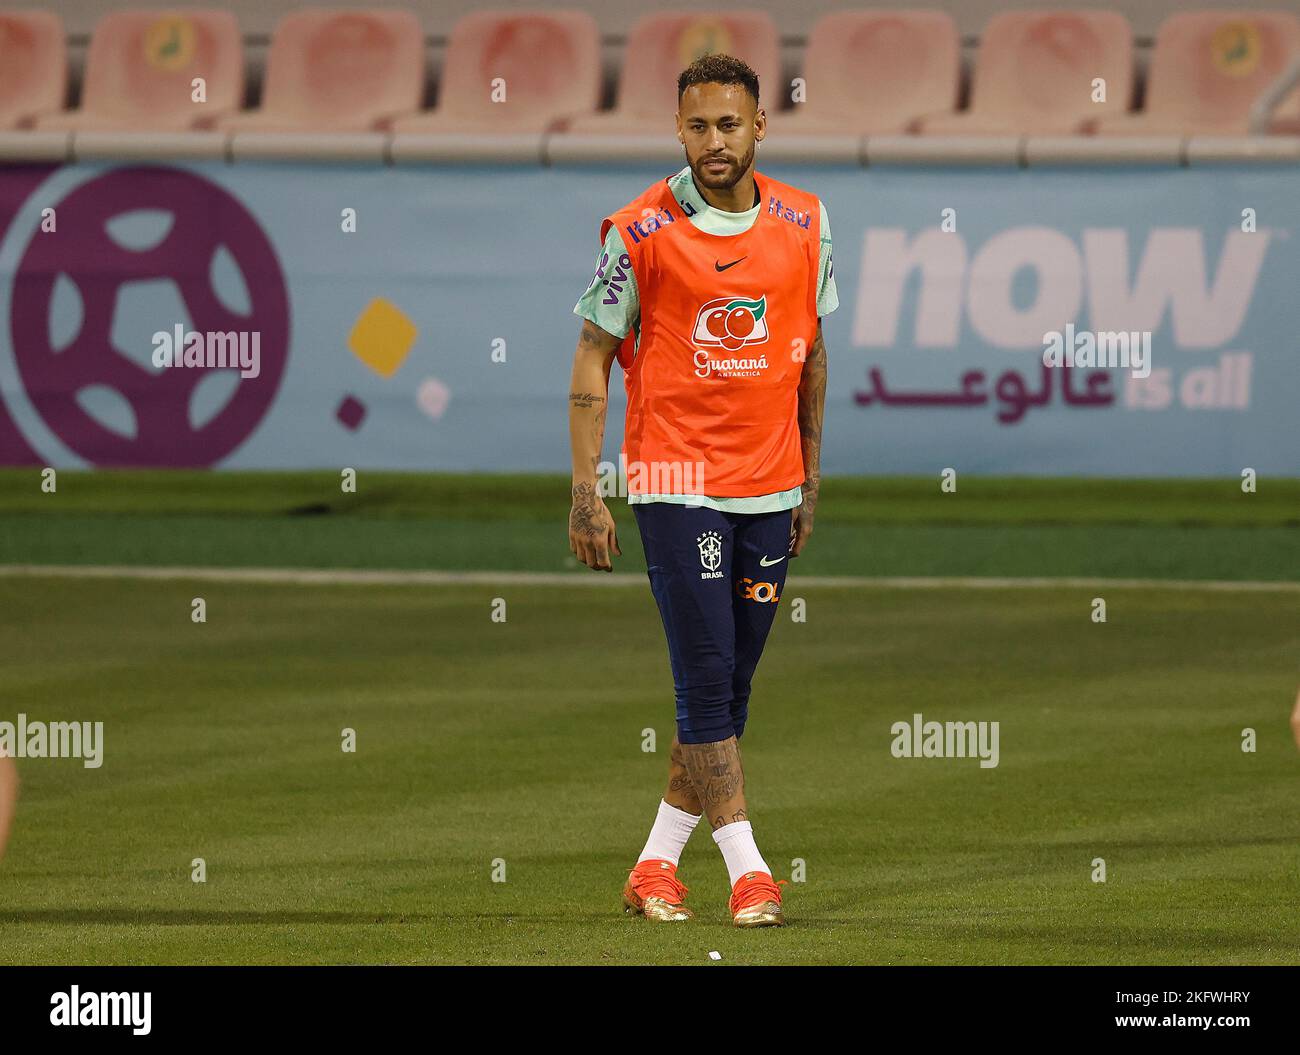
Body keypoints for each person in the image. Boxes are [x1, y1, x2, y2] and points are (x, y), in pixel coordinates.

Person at [567, 54, 836, 927]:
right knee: (707, 675)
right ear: (678, 129)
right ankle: (750, 869)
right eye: (697, 126)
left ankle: (654, 864)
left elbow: (812, 355)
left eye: (729, 124)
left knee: (732, 690)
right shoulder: (639, 232)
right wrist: (585, 488)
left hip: (769, 483)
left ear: (761, 126)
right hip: (675, 478)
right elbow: (592, 358)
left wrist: (809, 474)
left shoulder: (805, 221)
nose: (713, 142)